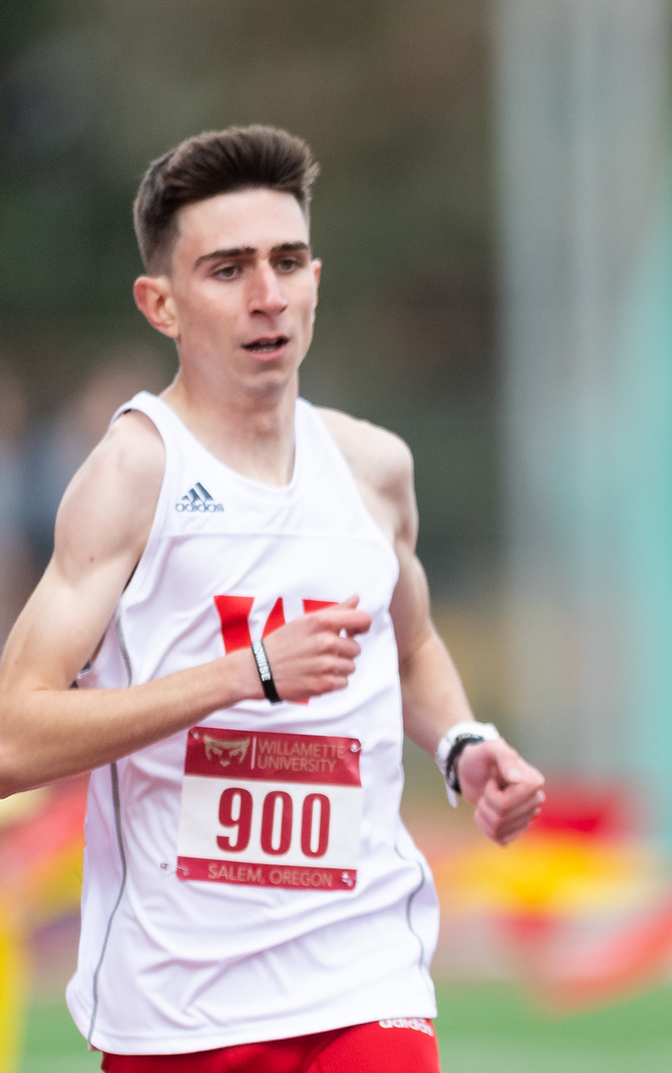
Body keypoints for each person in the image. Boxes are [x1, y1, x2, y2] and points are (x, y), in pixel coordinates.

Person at [0, 125, 546, 1071]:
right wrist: (245, 675)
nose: (267, 296)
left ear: (316, 281)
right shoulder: (134, 474)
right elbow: (14, 738)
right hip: (182, 1001)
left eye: (287, 261)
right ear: (160, 304)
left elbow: (407, 643)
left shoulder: (375, 469)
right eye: (228, 269)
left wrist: (461, 743)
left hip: (363, 972)